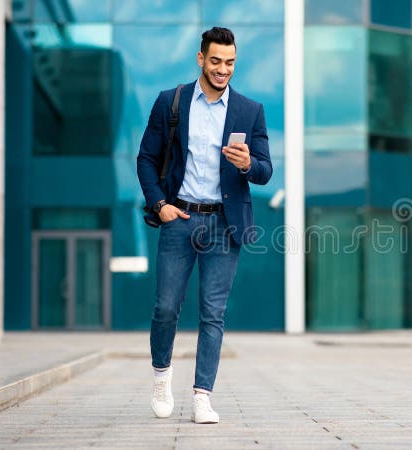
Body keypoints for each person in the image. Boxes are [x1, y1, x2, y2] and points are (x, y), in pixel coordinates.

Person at [136, 27, 272, 424]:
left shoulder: (250, 111)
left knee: (213, 313)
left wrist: (248, 164)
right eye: (215, 61)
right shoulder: (171, 102)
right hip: (178, 218)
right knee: (165, 308)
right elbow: (146, 158)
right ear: (200, 58)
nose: (222, 69)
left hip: (223, 225)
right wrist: (159, 203)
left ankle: (202, 396)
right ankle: (162, 376)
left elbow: (265, 171)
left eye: (230, 62)